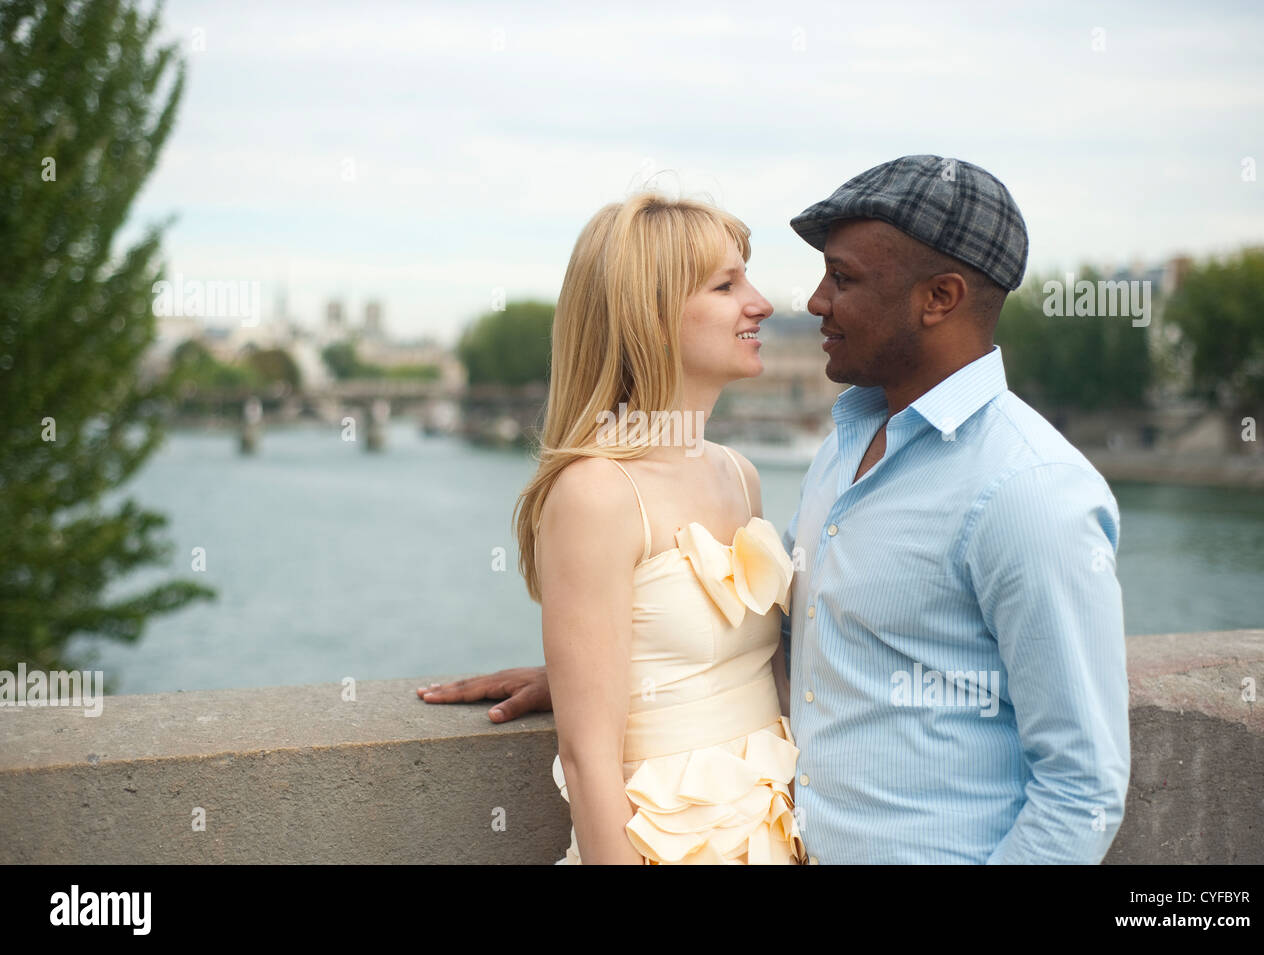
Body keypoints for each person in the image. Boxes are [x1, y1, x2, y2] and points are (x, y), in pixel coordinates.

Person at [419, 156, 1131, 865]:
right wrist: (598, 677)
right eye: (729, 284)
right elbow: (791, 634)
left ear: (939, 297)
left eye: (843, 278)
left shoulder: (1028, 489)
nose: (806, 301)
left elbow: (1081, 787)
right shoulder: (841, 451)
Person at [431, 191, 807, 865]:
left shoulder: (740, 474)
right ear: (654, 319)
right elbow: (587, 759)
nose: (761, 302)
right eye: (727, 285)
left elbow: (765, 676)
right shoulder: (597, 492)